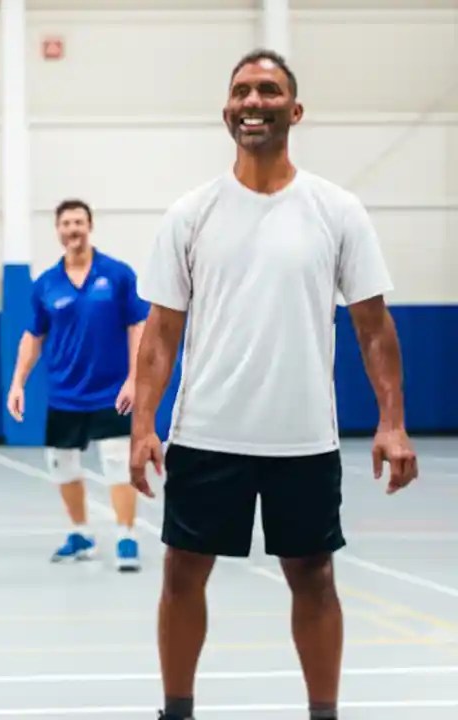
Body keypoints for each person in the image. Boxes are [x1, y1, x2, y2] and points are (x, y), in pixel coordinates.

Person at [127, 50, 419, 720]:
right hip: (207, 430)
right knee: (181, 574)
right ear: (226, 110)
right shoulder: (190, 213)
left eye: (268, 90)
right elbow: (161, 333)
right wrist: (145, 426)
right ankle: (177, 711)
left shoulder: (336, 210)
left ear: (295, 109)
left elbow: (373, 326)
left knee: (314, 577)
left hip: (303, 437)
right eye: (240, 91)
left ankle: (324, 713)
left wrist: (392, 420)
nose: (252, 101)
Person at [7, 199, 147, 572]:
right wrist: (18, 383)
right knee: (62, 466)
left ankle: (126, 537)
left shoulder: (117, 275)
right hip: (65, 393)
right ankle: (81, 532)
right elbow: (33, 335)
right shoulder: (46, 284)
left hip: (111, 391)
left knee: (118, 463)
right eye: (66, 223)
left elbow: (138, 327)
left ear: (90, 226)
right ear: (58, 230)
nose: (73, 229)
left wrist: (135, 379)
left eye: (79, 222)